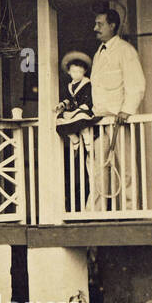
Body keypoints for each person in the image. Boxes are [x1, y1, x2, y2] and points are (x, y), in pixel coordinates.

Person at [89, 4, 145, 211]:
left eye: (100, 24)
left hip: (119, 120)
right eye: (96, 24)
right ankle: (97, 211)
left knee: (126, 168)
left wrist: (127, 110)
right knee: (99, 168)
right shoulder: (99, 54)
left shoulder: (125, 50)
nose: (96, 28)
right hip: (101, 120)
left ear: (112, 25)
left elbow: (136, 83)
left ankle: (131, 210)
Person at [55, 51, 96, 211]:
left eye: (79, 71)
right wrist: (62, 105)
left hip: (84, 109)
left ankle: (85, 140)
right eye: (73, 71)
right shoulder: (70, 86)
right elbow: (68, 100)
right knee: (60, 120)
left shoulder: (87, 84)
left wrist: (80, 107)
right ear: (69, 72)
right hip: (73, 111)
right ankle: (74, 139)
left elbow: (88, 100)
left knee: (81, 119)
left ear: (84, 72)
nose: (76, 74)